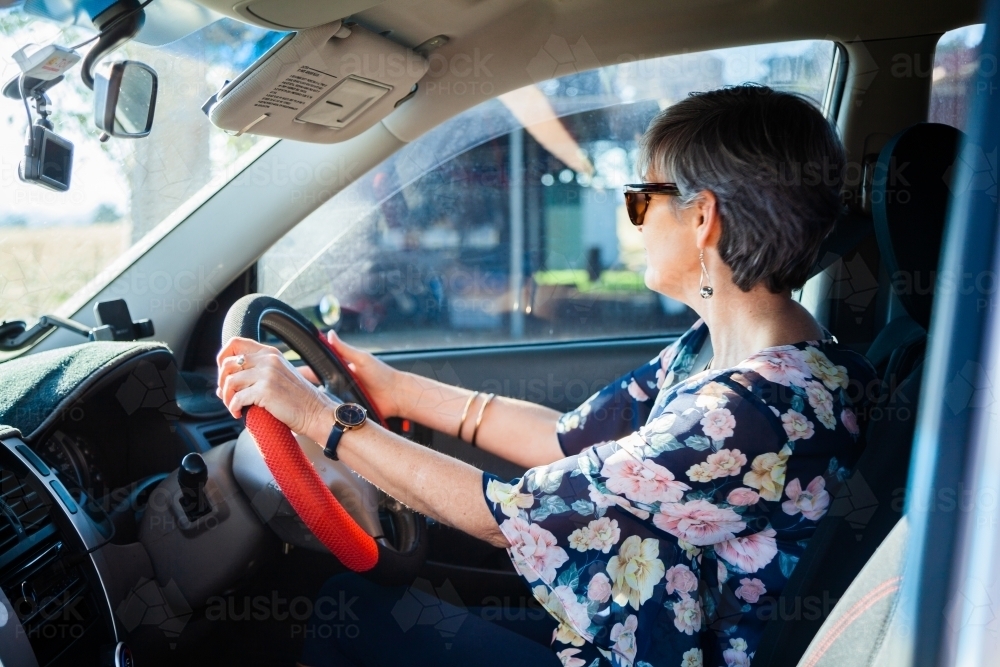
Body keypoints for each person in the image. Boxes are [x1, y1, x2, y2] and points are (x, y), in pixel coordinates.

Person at [216, 84, 876, 667]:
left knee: (348, 608)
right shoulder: (733, 354)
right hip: (645, 627)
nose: (635, 219)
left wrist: (319, 417)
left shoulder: (746, 413)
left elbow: (507, 513)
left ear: (703, 217)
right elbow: (569, 440)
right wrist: (390, 388)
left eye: (641, 199)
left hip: (659, 645)